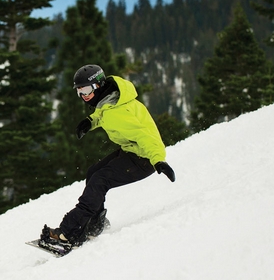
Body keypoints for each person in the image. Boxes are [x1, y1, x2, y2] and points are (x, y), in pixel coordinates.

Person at [40, 64, 175, 252]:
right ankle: (94, 224)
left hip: (144, 160)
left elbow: (147, 137)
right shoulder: (111, 99)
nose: (83, 95)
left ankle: (68, 233)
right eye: (79, 91)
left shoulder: (120, 111)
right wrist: (90, 122)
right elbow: (102, 113)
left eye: (86, 90)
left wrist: (159, 160)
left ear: (98, 85)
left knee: (99, 180)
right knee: (93, 172)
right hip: (131, 151)